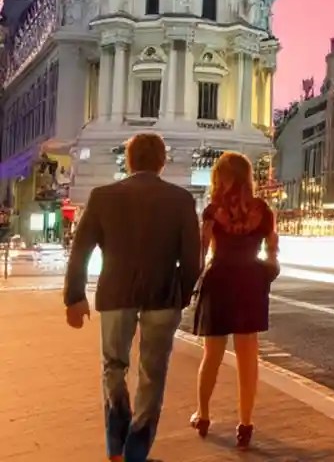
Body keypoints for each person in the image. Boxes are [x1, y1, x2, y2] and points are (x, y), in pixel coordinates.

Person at [63, 132, 202, 462]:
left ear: (128, 160)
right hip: (162, 296)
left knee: (113, 366)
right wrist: (179, 295)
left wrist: (74, 297)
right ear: (161, 162)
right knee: (153, 375)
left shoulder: (102, 197)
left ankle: (116, 444)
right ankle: (136, 452)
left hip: (115, 293)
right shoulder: (181, 200)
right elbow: (193, 259)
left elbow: (80, 250)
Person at [189, 151, 279, 450]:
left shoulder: (213, 212)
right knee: (248, 355)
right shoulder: (263, 211)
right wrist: (265, 271)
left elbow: (202, 253)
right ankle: (246, 424)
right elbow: (272, 253)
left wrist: (191, 283)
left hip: (220, 280)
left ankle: (203, 416)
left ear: (220, 178)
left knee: (211, 354)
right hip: (250, 282)